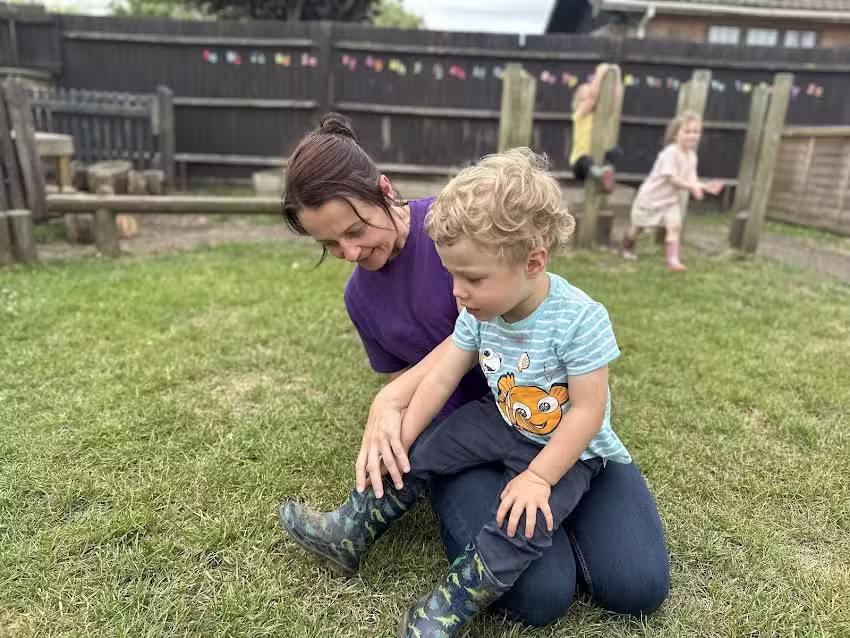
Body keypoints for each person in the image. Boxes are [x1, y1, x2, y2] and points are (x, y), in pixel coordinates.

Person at [277, 113, 670, 628]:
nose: (457, 291)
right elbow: (440, 377)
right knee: (531, 587)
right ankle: (355, 525)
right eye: (329, 245)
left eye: (354, 230)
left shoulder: (555, 297)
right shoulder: (467, 299)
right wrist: (401, 431)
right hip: (497, 418)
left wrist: (537, 476)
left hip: (561, 450)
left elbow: (588, 411)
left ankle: (453, 603)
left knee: (594, 563)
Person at [621, 110, 724, 271]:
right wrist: (693, 187)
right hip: (650, 199)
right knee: (638, 227)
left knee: (674, 226)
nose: (692, 135)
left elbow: (691, 179)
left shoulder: (692, 157)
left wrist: (701, 188)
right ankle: (627, 245)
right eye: (687, 131)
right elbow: (672, 179)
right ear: (676, 134)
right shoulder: (669, 154)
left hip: (669, 201)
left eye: (696, 132)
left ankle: (673, 260)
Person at [569, 63, 624, 193]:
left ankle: (606, 171)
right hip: (580, 164)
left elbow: (615, 101)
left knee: (616, 152)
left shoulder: (599, 116)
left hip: (598, 158)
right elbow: (592, 98)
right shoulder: (579, 114)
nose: (589, 97)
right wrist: (600, 73)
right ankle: (599, 174)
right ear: (578, 101)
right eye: (585, 96)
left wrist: (617, 77)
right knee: (585, 160)